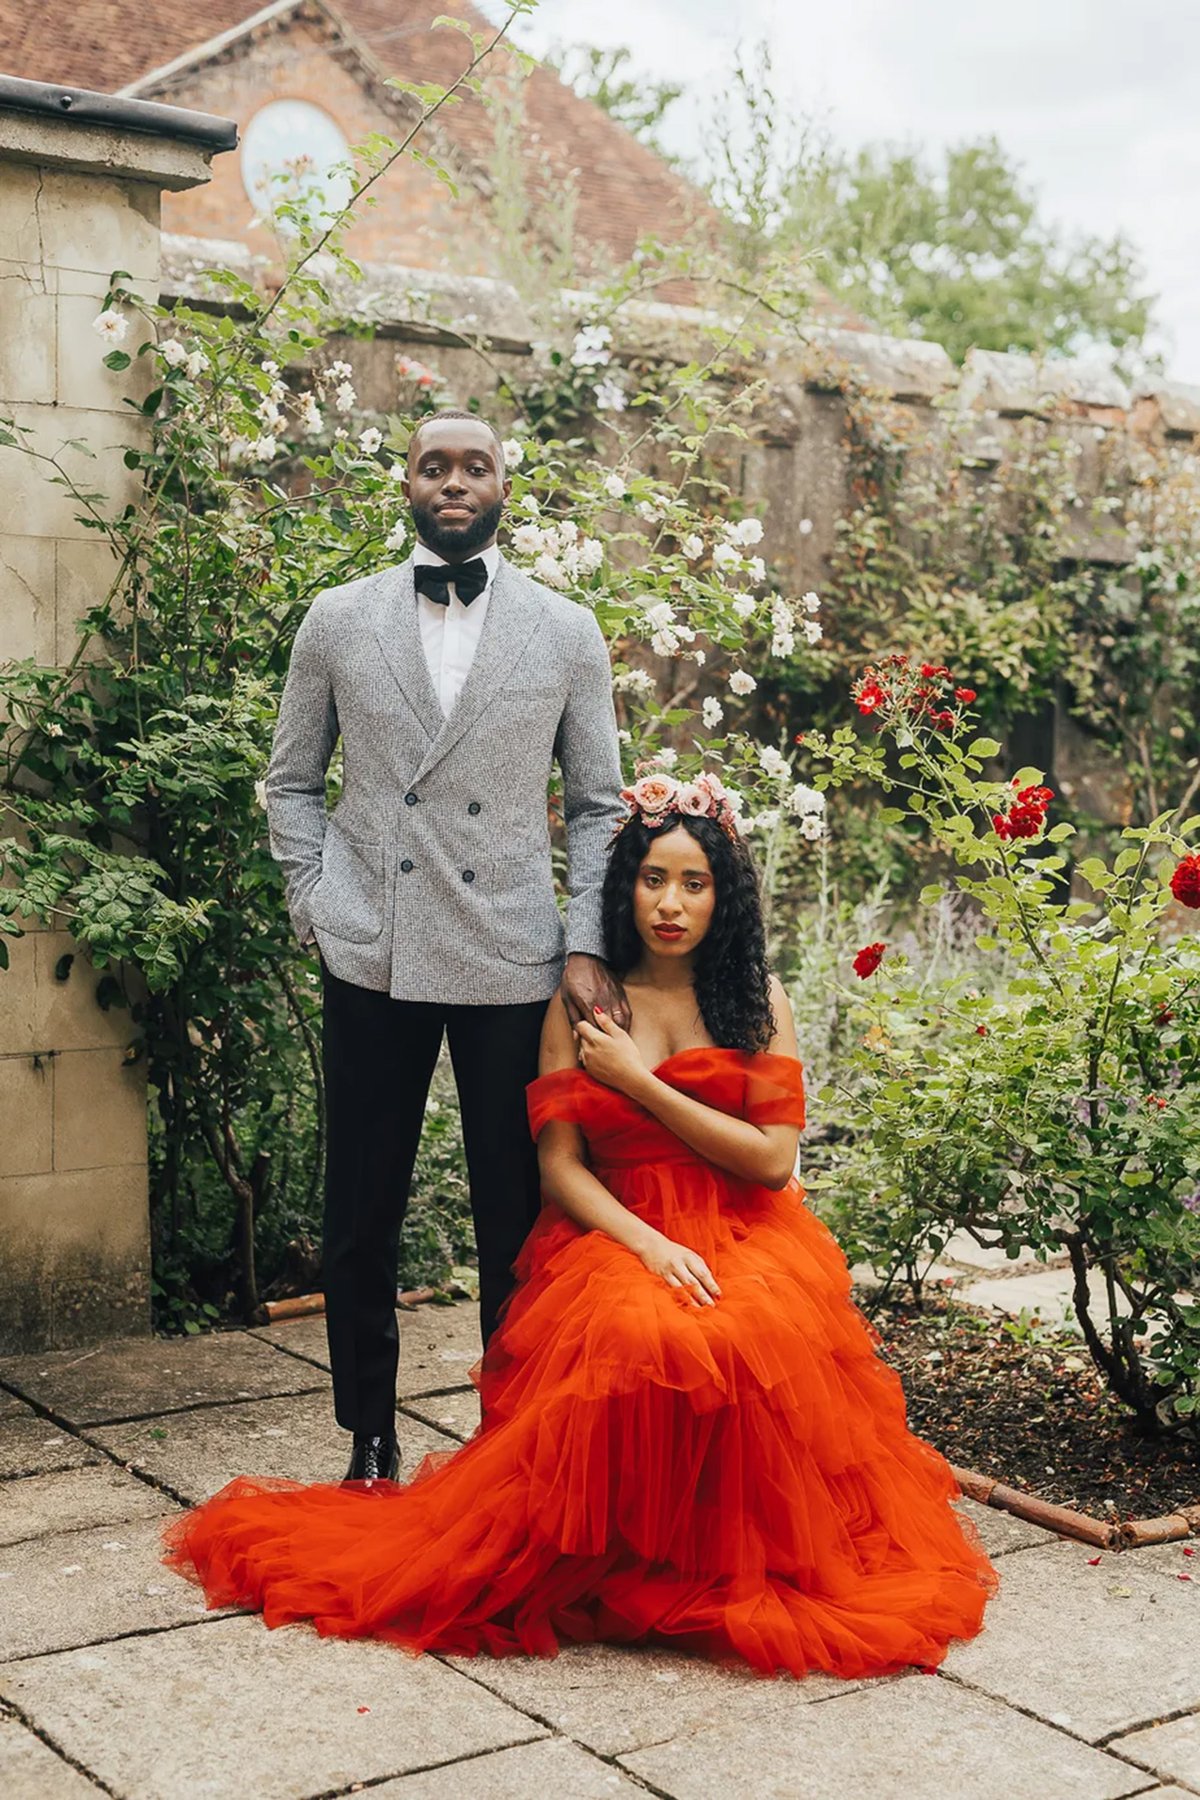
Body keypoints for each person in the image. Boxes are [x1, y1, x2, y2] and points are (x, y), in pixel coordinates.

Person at [164, 772, 998, 1680]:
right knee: (639, 1331)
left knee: (754, 1332)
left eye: (693, 882)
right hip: (619, 1226)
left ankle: (721, 1553)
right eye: (650, 880)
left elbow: (767, 1159)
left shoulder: (759, 1001)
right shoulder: (582, 1003)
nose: (670, 905)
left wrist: (639, 1082)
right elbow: (560, 1169)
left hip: (746, 1223)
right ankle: (622, 1554)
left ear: (726, 894)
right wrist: (648, 1243)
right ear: (622, 888)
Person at [265, 408, 628, 1483]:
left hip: (511, 952)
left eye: (476, 466)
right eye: (435, 465)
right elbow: (290, 781)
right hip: (371, 945)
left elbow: (600, 805)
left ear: (505, 486)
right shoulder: (338, 618)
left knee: (514, 1207)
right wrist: (316, 905)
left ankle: (512, 1430)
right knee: (361, 1206)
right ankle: (369, 1434)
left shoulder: (567, 631)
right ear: (407, 484)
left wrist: (583, 942)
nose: (455, 482)